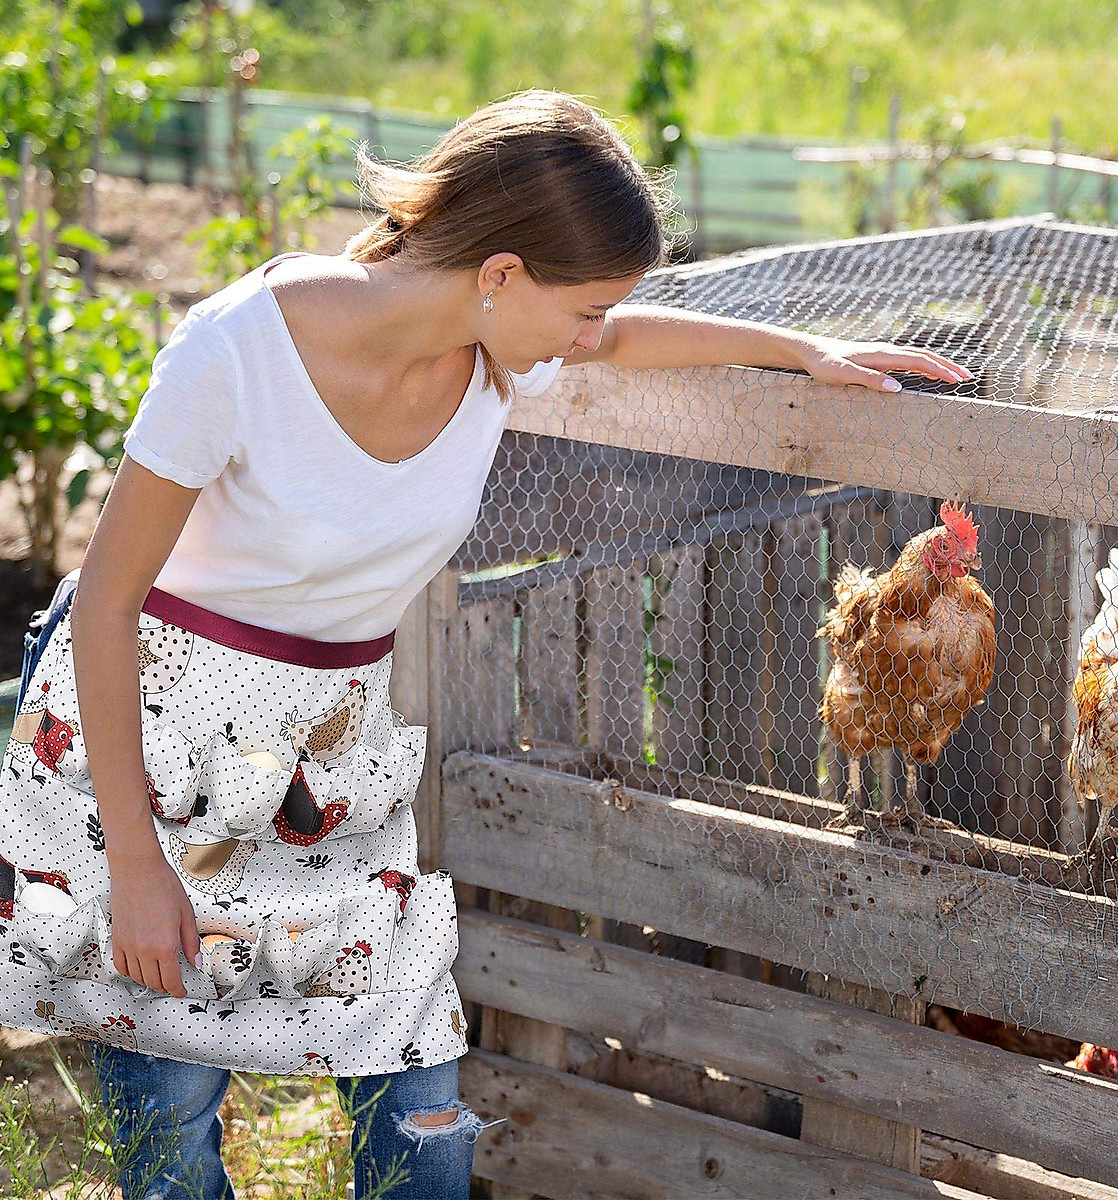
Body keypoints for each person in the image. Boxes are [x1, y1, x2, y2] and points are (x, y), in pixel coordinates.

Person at [0, 87, 972, 1200]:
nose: (591, 336)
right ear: (501, 272)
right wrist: (133, 863)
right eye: (583, 309)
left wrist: (804, 351)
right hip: (155, 739)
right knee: (173, 1128)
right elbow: (107, 602)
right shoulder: (235, 351)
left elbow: (630, 339)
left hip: (332, 737)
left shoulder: (492, 349)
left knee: (418, 1094)